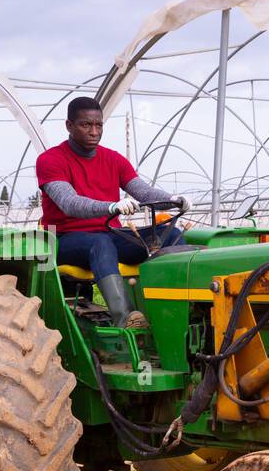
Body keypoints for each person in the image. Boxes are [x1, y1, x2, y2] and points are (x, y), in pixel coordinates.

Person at [36, 96, 190, 328]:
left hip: (109, 235)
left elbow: (144, 192)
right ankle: (126, 318)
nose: (94, 131)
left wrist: (173, 200)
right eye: (85, 125)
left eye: (98, 125)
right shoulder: (50, 160)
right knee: (100, 243)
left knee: (170, 235)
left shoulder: (113, 159)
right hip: (63, 240)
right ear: (69, 126)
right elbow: (69, 203)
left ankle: (177, 312)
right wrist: (110, 207)